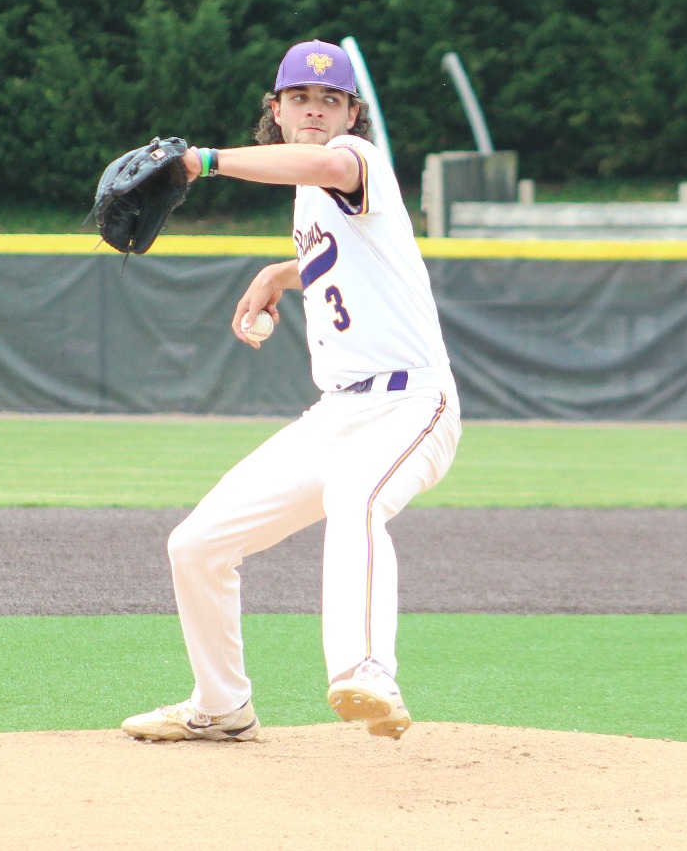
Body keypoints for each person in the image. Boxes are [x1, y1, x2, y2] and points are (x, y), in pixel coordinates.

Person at [121, 39, 461, 744]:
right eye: (300, 99)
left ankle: (368, 669)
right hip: (336, 413)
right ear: (274, 109)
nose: (314, 110)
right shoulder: (312, 194)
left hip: (410, 405)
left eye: (329, 100)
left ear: (351, 114)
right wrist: (283, 273)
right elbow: (344, 256)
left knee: (357, 501)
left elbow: (329, 164)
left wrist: (204, 161)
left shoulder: (355, 161)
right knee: (197, 545)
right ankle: (221, 705)